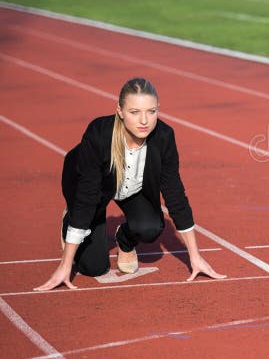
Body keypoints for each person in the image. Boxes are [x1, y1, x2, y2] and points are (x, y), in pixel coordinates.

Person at [35, 78, 225, 290]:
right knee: (94, 267)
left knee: (150, 227)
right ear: (120, 111)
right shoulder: (99, 134)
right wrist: (65, 264)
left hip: (132, 187)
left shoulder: (164, 137)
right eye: (135, 112)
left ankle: (125, 242)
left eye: (151, 111)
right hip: (90, 186)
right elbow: (87, 196)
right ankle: (69, 220)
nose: (144, 120)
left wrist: (195, 257)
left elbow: (175, 193)